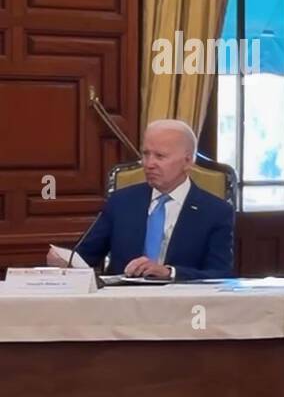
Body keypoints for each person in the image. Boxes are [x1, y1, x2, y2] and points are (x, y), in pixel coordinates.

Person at [48, 119, 235, 281]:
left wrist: (169, 272)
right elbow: (84, 256)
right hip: (121, 308)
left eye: (160, 156)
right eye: (146, 154)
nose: (149, 164)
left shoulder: (215, 212)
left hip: (181, 309)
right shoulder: (122, 202)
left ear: (187, 162)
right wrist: (65, 262)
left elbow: (220, 274)